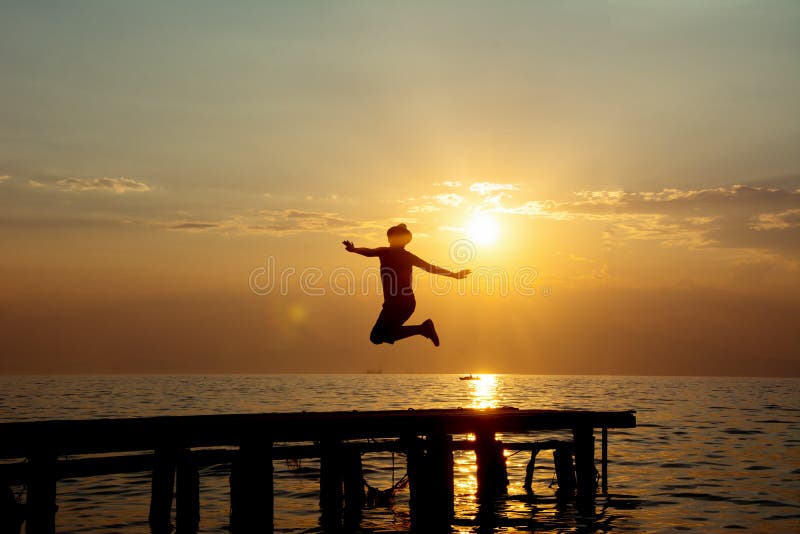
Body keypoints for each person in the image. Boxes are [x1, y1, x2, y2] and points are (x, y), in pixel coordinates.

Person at [343, 223, 470, 346]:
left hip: (401, 304)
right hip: (399, 303)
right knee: (379, 336)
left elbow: (430, 268)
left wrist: (354, 250)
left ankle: (423, 329)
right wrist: (354, 249)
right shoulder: (395, 254)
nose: (390, 240)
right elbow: (368, 251)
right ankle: (423, 329)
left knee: (377, 336)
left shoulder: (389, 253)